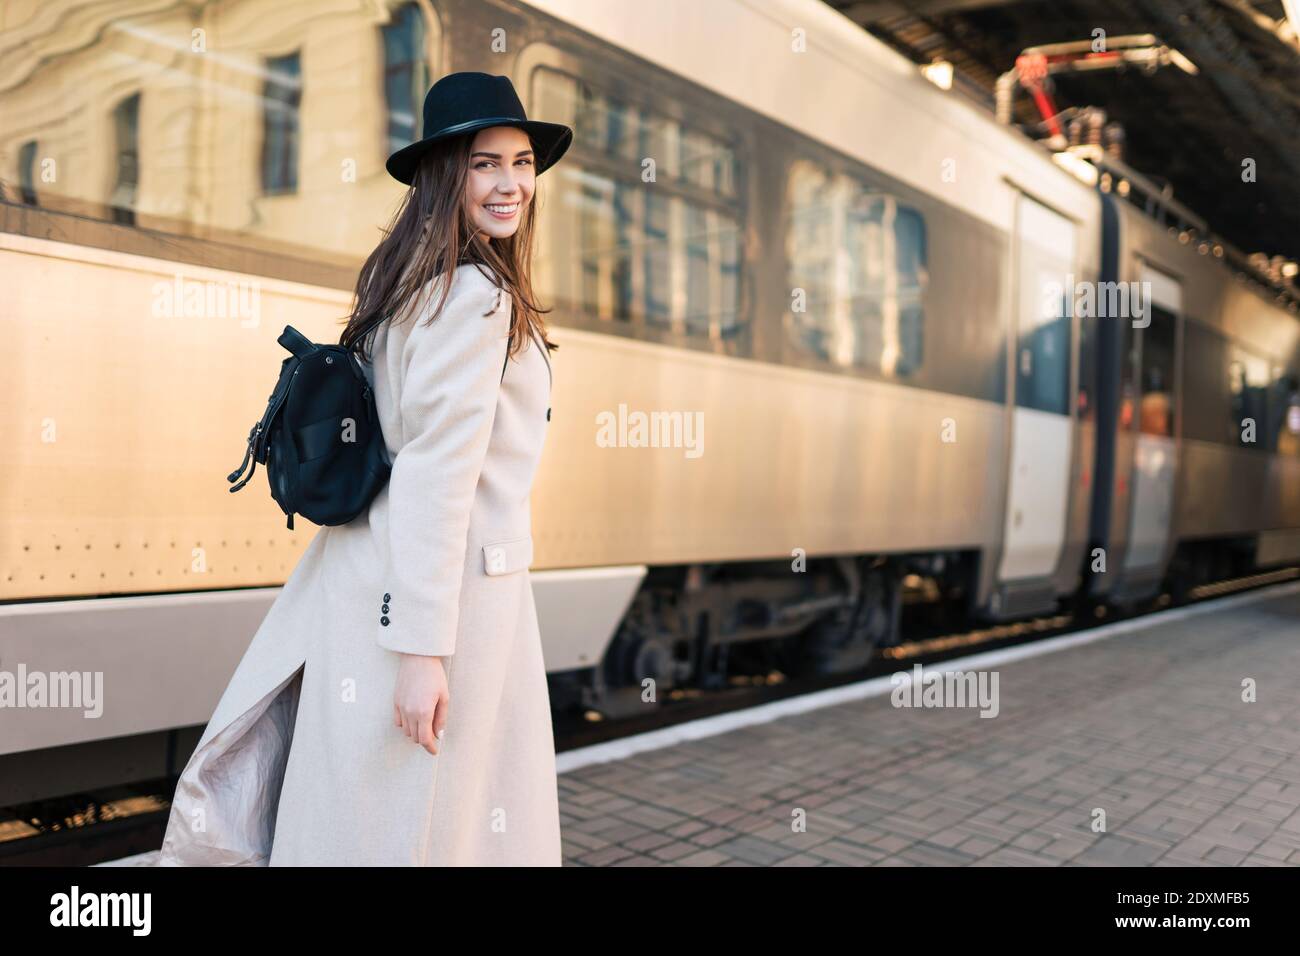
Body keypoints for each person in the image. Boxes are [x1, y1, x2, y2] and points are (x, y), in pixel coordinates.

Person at [157, 72, 573, 866]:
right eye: (485, 163)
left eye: (522, 162)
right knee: (430, 830)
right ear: (444, 173)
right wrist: (422, 653)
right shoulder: (476, 298)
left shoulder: (409, 282)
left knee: (362, 820)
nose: (512, 183)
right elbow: (436, 473)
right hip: (446, 608)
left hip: (371, 580)